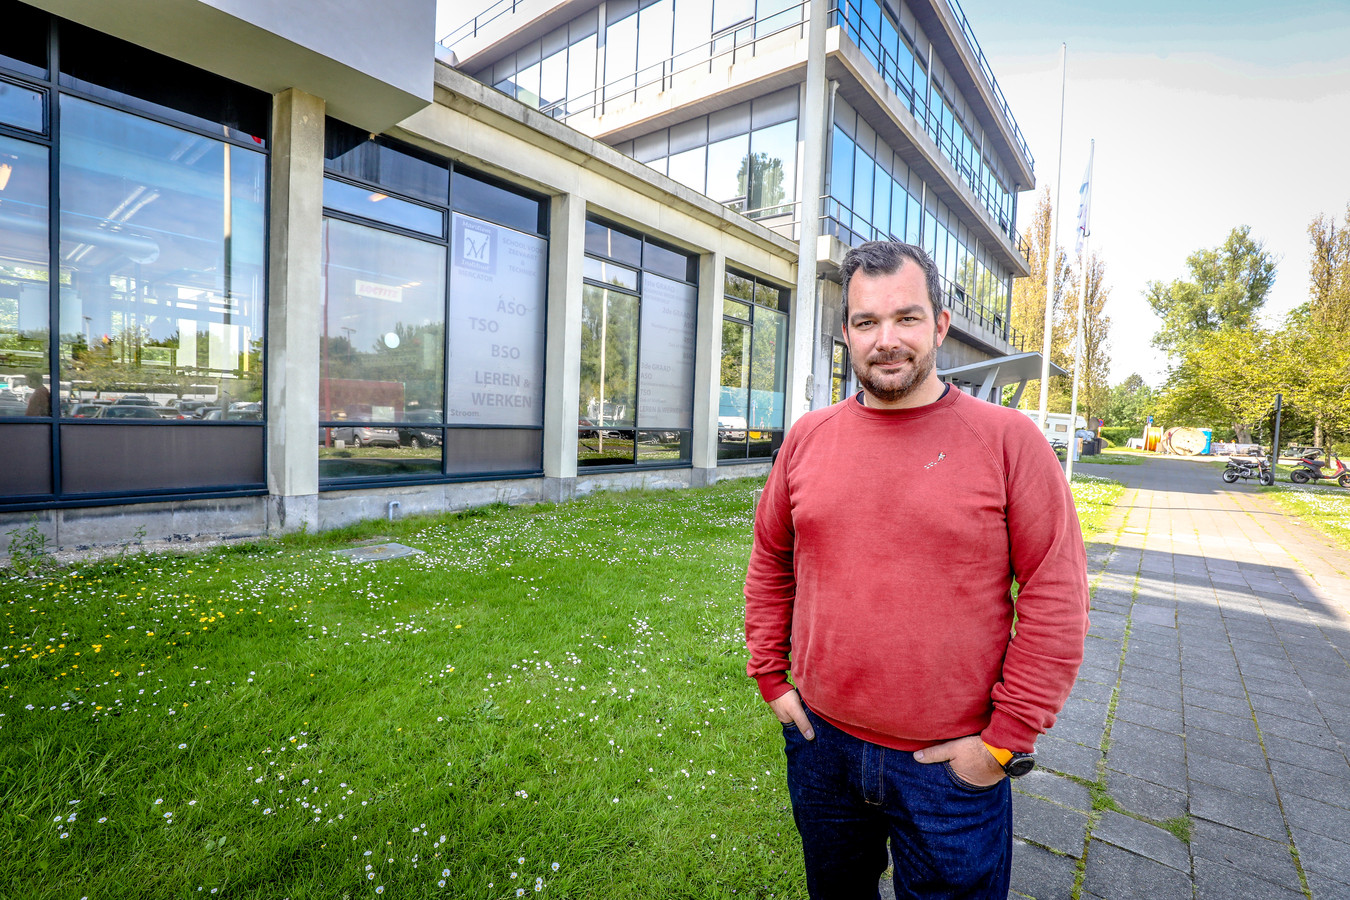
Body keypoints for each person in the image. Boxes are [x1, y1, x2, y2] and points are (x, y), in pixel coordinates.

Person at [744, 241, 1090, 899]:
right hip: (822, 748)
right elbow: (770, 560)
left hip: (951, 767)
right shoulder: (807, 439)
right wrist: (771, 678)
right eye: (866, 322)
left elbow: (1057, 594)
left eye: (906, 317)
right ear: (845, 332)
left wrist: (1002, 743)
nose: (886, 340)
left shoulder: (1008, 440)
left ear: (940, 323)